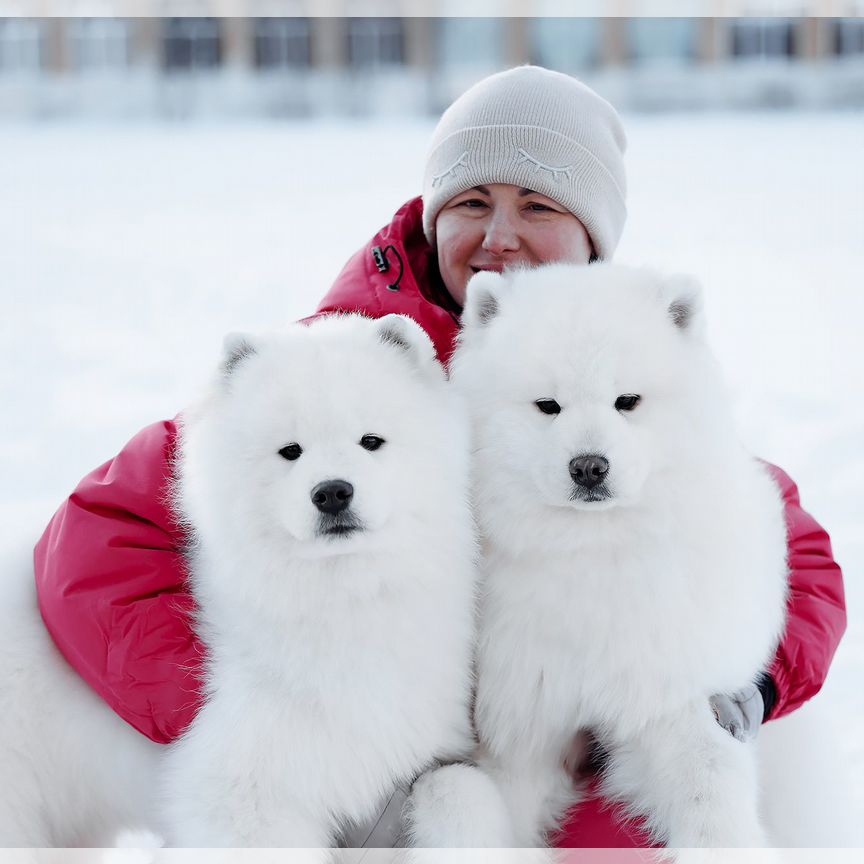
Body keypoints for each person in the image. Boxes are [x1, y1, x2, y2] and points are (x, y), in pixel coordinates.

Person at [33, 66, 845, 848]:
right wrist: (255, 721)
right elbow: (90, 544)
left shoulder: (622, 362)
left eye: (537, 204)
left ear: (592, 232)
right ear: (431, 216)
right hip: (393, 766)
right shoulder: (332, 367)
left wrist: (757, 680)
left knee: (621, 827)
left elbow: (795, 547)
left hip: (527, 743)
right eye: (471, 202)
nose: (500, 236)